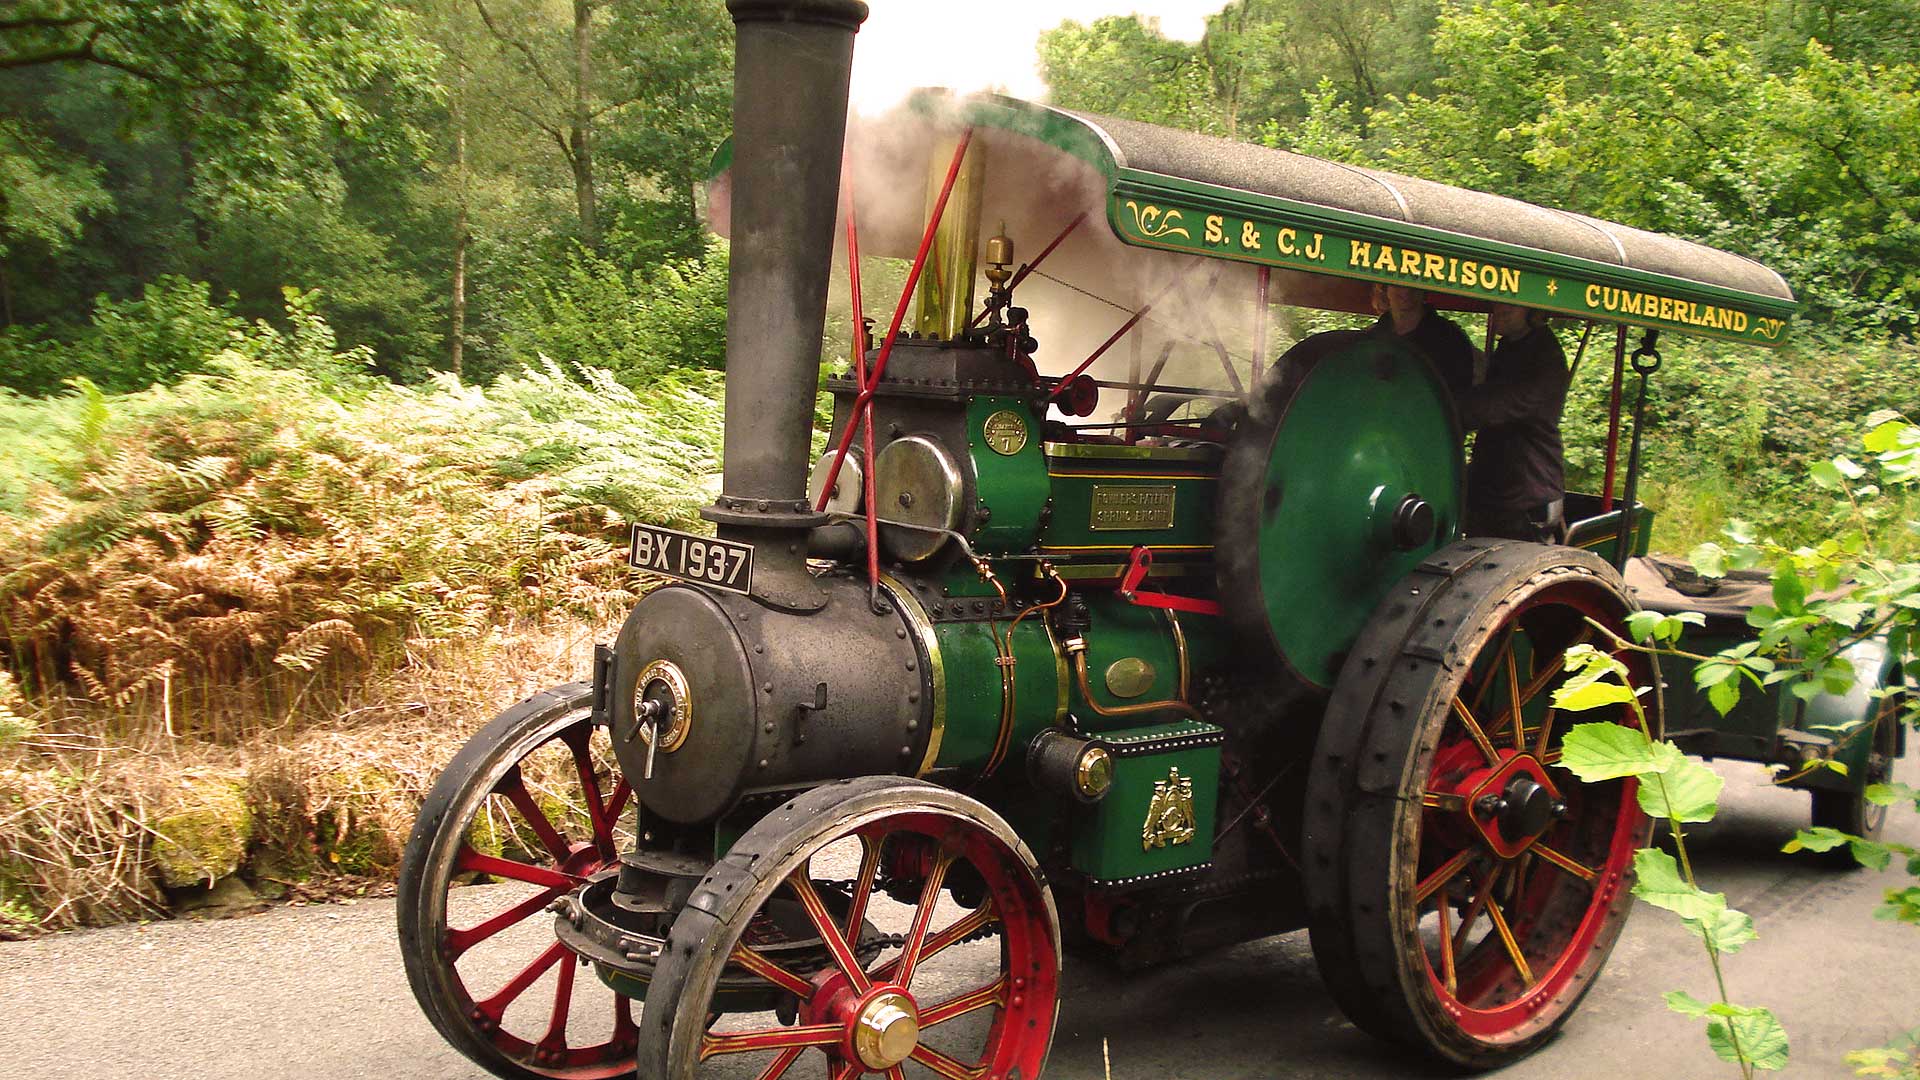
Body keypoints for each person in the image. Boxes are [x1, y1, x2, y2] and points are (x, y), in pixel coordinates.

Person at [1458, 302, 1570, 543]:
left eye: (1511, 305)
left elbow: (1496, 407)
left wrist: (1443, 406)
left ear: (1534, 310)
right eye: (1498, 304)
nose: (1500, 311)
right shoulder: (1511, 346)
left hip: (1525, 500)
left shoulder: (1543, 357)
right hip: (1493, 492)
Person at [1371, 284, 1476, 397]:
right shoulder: (1372, 337)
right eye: (1398, 285)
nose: (1406, 291)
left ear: (1424, 288)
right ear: (1385, 289)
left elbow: (1459, 394)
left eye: (1413, 282)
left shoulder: (1451, 339)